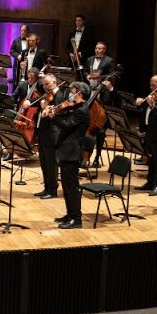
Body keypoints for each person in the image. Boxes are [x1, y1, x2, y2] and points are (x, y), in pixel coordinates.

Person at [48, 81, 90, 229]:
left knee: (72, 187)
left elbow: (67, 124)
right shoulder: (76, 107)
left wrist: (54, 116)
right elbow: (65, 114)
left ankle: (76, 218)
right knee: (66, 186)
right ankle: (70, 213)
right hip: (67, 151)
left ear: (79, 94)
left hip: (72, 152)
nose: (70, 95)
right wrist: (56, 110)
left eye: (72, 92)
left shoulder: (82, 110)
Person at [133, 75, 157, 196]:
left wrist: (152, 105)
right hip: (149, 131)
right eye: (150, 85)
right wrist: (140, 102)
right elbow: (146, 109)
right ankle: (150, 182)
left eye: (154, 85)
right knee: (150, 158)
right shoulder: (152, 95)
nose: (151, 87)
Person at [34, 73, 67, 199]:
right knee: (44, 163)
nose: (45, 87)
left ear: (54, 82)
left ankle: (52, 190)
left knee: (51, 164)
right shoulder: (47, 96)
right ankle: (46, 188)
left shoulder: (59, 96)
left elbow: (59, 115)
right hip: (43, 133)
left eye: (47, 84)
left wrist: (47, 109)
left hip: (52, 134)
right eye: (43, 85)